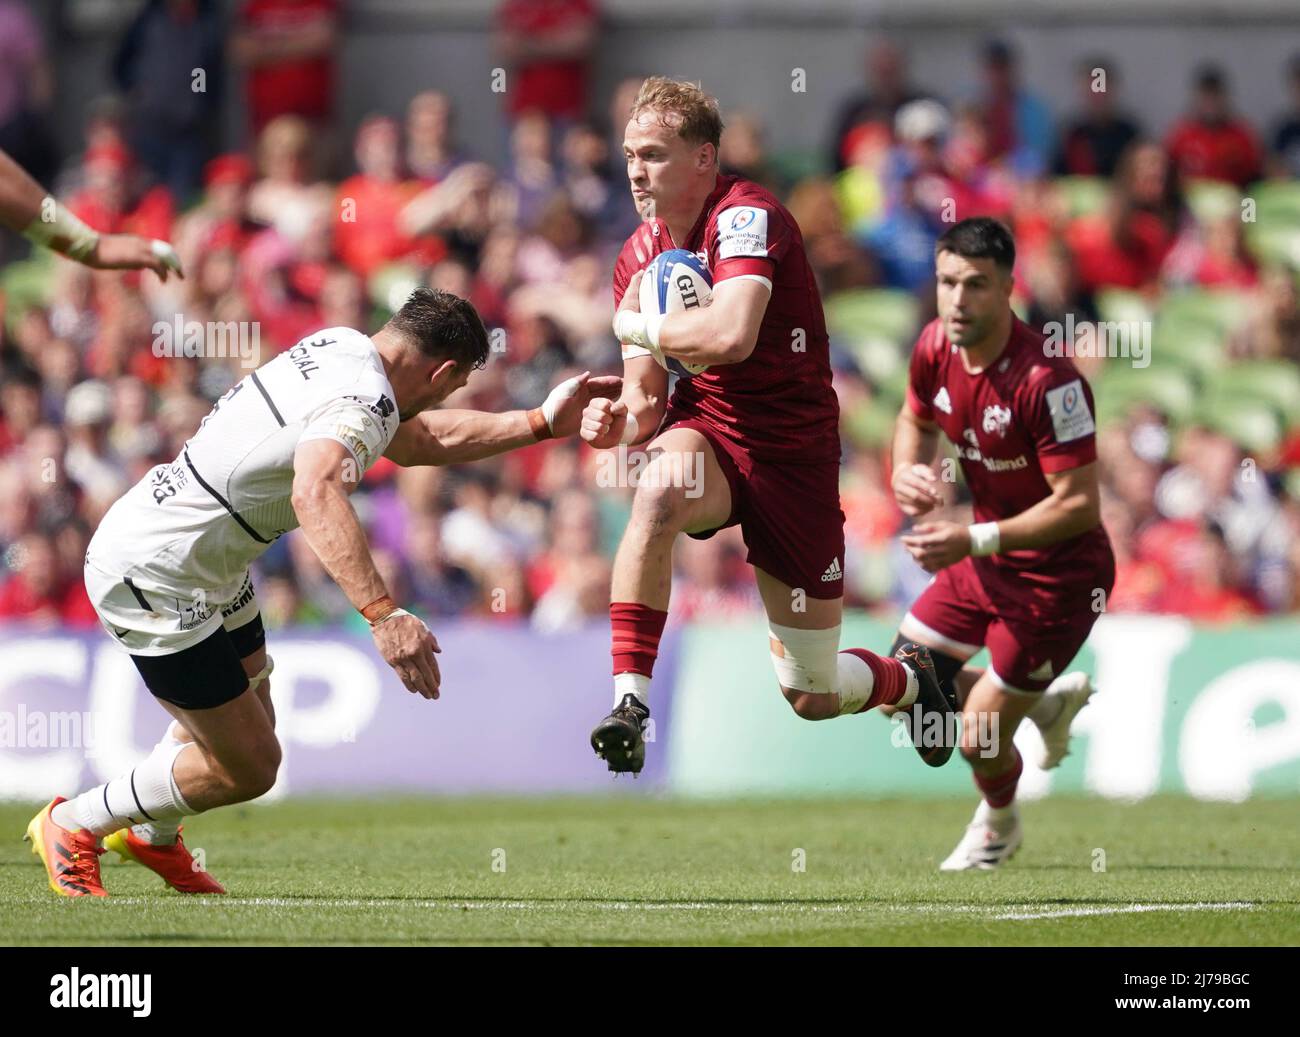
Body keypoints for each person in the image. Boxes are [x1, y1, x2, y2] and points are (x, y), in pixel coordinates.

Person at [24, 288, 619, 897]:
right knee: (251, 767)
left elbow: (417, 441)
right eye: (454, 385)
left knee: (254, 717)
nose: (446, 397)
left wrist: (540, 423)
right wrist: (384, 615)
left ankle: (151, 835)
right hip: (158, 573)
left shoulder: (343, 345)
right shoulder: (364, 399)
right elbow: (314, 492)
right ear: (442, 371)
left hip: (205, 557)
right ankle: (73, 823)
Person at [580, 77, 955, 777]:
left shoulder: (748, 216)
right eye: (631, 153)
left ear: (703, 158)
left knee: (809, 692)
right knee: (657, 489)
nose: (635, 169)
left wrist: (635, 322)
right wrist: (616, 424)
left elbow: (731, 334)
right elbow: (644, 401)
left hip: (794, 455)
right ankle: (630, 702)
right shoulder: (636, 255)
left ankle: (908, 680)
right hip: (712, 433)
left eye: (655, 154)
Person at [889, 217, 1114, 869]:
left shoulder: (1049, 381)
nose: (958, 300)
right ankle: (1044, 703)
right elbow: (913, 416)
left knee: (980, 732)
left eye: (976, 286)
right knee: (906, 680)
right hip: (983, 556)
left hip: (1059, 578)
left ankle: (1000, 822)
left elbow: (1078, 506)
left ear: (1008, 288)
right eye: (947, 282)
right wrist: (909, 468)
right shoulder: (934, 344)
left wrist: (971, 537)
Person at [0, 147, 181, 279]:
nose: (108, 188)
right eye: (101, 179)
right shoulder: (83, 207)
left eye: (114, 179)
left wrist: (92, 246)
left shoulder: (153, 202)